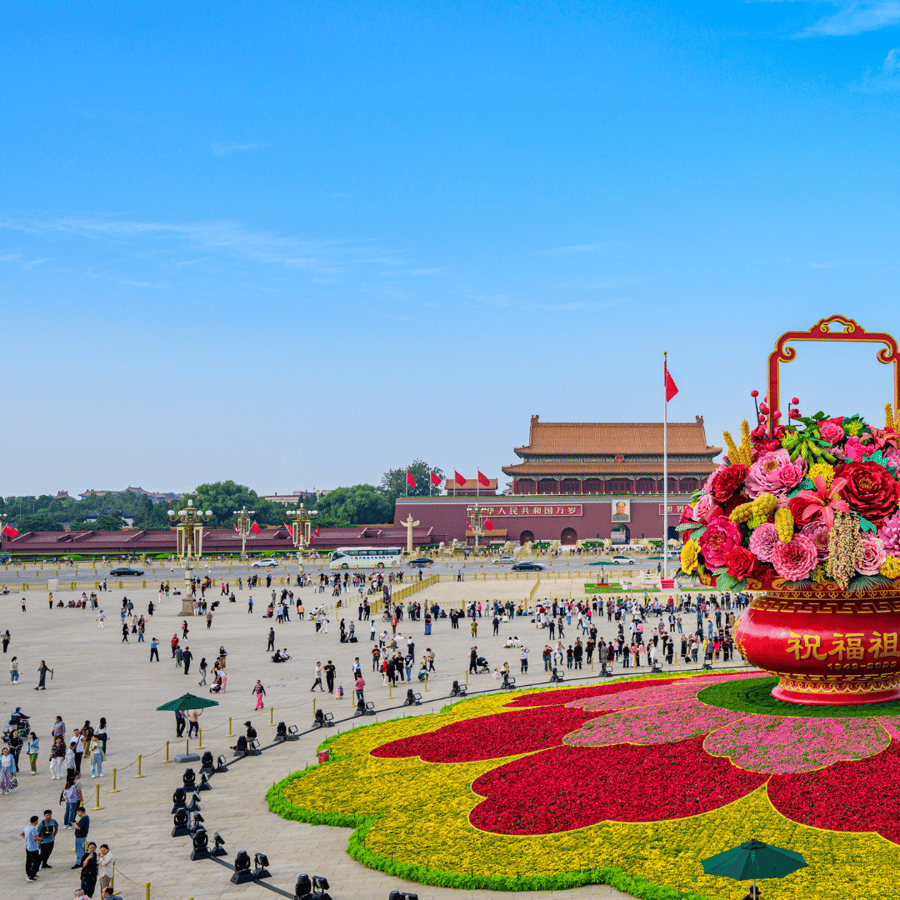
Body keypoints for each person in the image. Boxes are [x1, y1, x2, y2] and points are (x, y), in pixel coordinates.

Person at [21, 814, 41, 882]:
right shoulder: (33, 828)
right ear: (36, 821)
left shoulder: (26, 827)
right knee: (37, 861)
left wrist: (26, 839)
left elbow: (21, 834)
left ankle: (29, 873)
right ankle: (32, 876)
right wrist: (39, 839)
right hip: (33, 847)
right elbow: (35, 838)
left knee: (29, 861)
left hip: (27, 846)